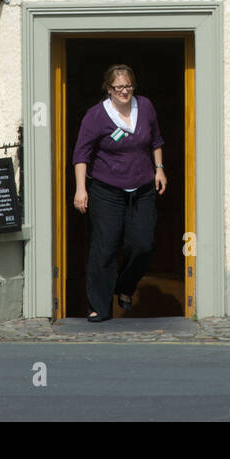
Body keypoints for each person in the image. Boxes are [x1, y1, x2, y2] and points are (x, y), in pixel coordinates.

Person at [71, 64, 166, 322]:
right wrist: (81, 189)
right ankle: (99, 307)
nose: (124, 91)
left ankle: (125, 286)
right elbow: (81, 155)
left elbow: (156, 140)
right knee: (106, 248)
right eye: (118, 87)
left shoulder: (145, 107)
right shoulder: (95, 116)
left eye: (128, 86)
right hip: (106, 191)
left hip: (142, 188)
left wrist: (159, 169)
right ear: (108, 89)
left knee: (143, 245)